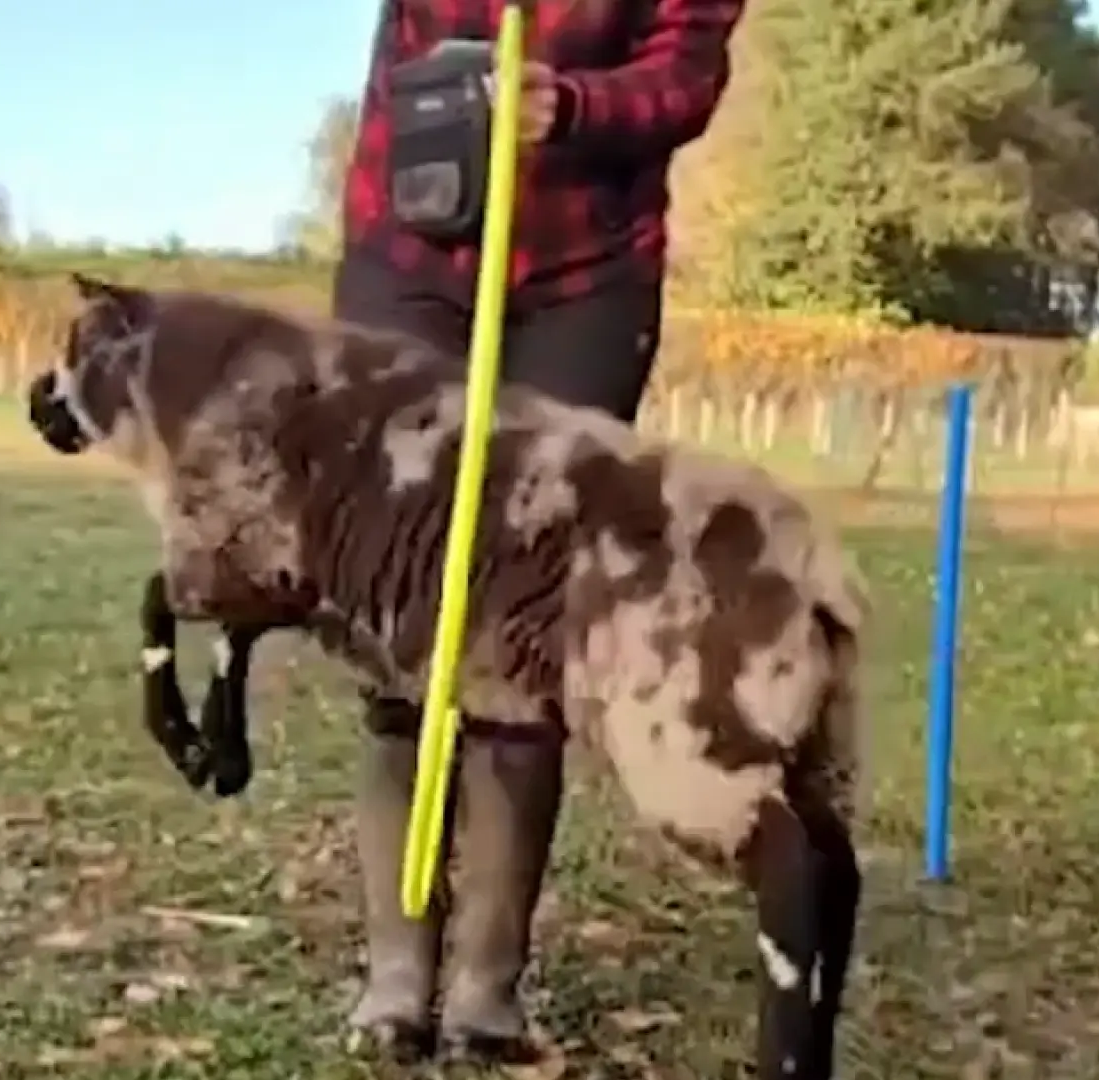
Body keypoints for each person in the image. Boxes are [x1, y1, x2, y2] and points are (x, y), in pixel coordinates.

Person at [328, 0, 748, 1063]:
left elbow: (686, 74)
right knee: (399, 611)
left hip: (581, 276)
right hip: (412, 251)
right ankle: (394, 973)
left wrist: (573, 107)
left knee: (521, 622)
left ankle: (486, 987)